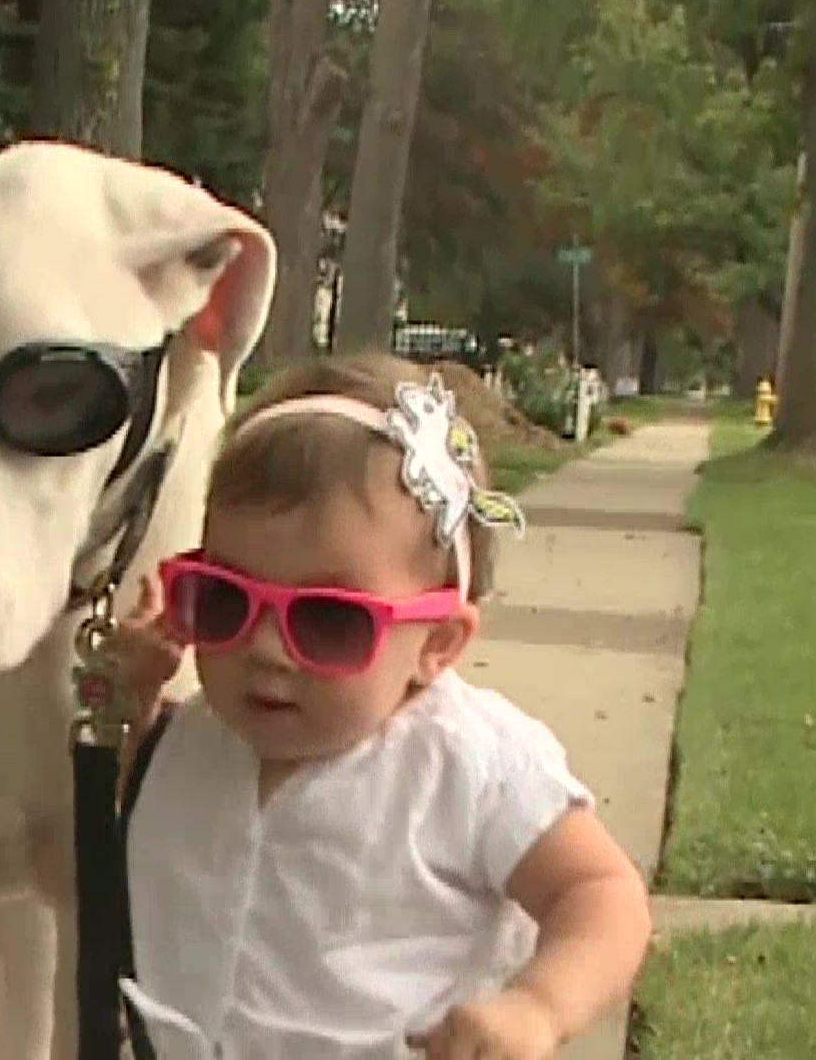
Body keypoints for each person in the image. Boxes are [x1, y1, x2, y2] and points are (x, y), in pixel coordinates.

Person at [105, 353, 653, 1060]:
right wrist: (128, 706)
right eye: (223, 600)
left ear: (439, 643)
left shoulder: (471, 765)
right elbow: (127, 834)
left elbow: (600, 891)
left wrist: (539, 1006)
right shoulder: (188, 740)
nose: (267, 649)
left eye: (329, 620)